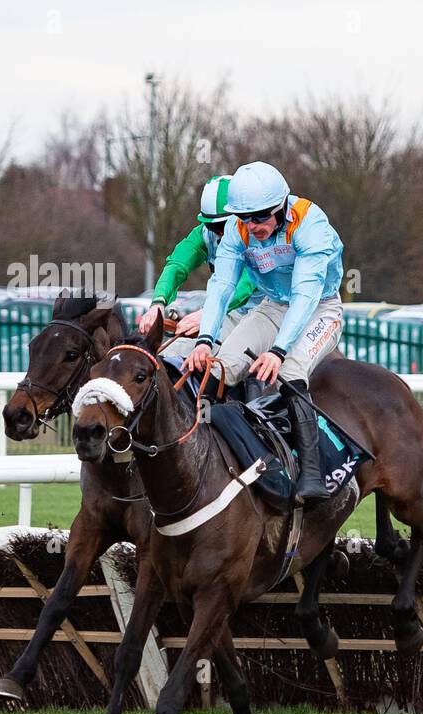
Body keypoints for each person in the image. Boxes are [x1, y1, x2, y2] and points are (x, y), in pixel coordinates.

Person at [182, 161, 345, 505]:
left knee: (288, 371)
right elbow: (222, 286)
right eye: (244, 219)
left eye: (259, 218)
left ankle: (312, 476)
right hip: (273, 304)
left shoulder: (310, 223)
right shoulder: (238, 230)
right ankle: (198, 454)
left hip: (320, 307)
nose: (251, 226)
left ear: (280, 208)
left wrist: (279, 350)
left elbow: (304, 294)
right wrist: (204, 340)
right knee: (218, 366)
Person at [137, 175, 259, 356]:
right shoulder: (203, 235)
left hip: (261, 311)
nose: (219, 233)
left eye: (225, 225)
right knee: (167, 353)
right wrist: (158, 303)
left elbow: (245, 285)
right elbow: (176, 266)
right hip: (226, 311)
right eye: (213, 226)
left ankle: (254, 383)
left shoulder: (258, 235)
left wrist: (207, 314)